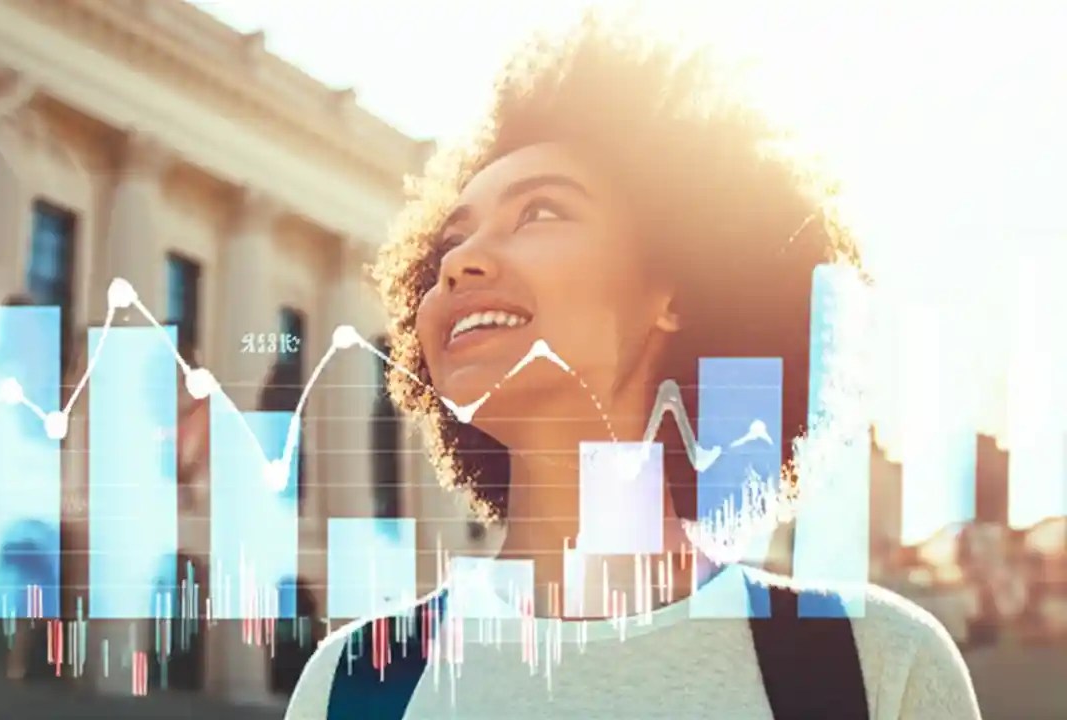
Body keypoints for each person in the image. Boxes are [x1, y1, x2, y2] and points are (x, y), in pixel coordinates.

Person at [286, 11, 980, 720]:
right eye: (449, 246)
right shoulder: (351, 686)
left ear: (673, 287)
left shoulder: (871, 669)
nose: (459, 264)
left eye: (541, 213)